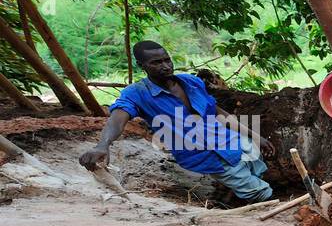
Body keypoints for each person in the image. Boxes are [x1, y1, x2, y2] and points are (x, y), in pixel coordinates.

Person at [80, 41, 275, 202]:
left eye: (167, 60)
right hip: (206, 154)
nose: (165, 66)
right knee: (259, 193)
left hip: (231, 140)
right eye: (156, 63)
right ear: (142, 66)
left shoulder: (191, 82)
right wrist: (103, 145)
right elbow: (117, 119)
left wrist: (254, 135)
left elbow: (216, 111)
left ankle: (229, 197)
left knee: (256, 169)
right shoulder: (137, 93)